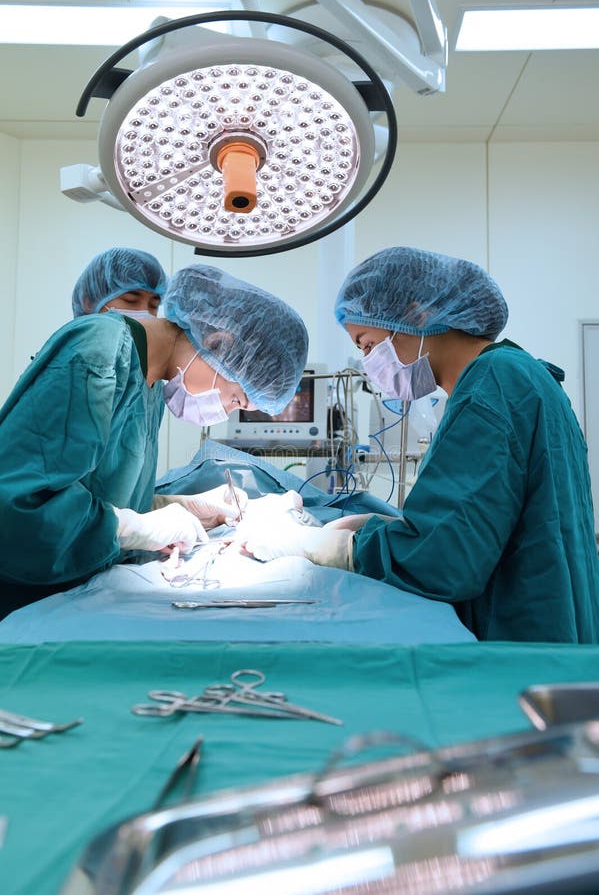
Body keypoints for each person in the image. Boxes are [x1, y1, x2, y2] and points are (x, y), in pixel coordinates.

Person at [240, 246, 599, 643]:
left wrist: (327, 547)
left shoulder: (492, 386)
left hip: (519, 636)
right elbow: (486, 522)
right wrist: (379, 527)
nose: (368, 362)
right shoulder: (519, 376)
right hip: (551, 623)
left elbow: (444, 561)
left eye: (367, 344)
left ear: (415, 314)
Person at [0, 263, 308, 619]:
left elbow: (102, 495)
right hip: (21, 603)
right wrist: (140, 528)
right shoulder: (98, 351)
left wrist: (179, 508)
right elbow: (17, 507)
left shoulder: (150, 386)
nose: (226, 412)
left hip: (75, 592)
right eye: (236, 399)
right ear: (218, 344)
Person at [71, 246, 167, 318]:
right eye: (130, 300)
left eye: (154, 305)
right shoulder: (69, 344)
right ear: (89, 303)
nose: (145, 312)